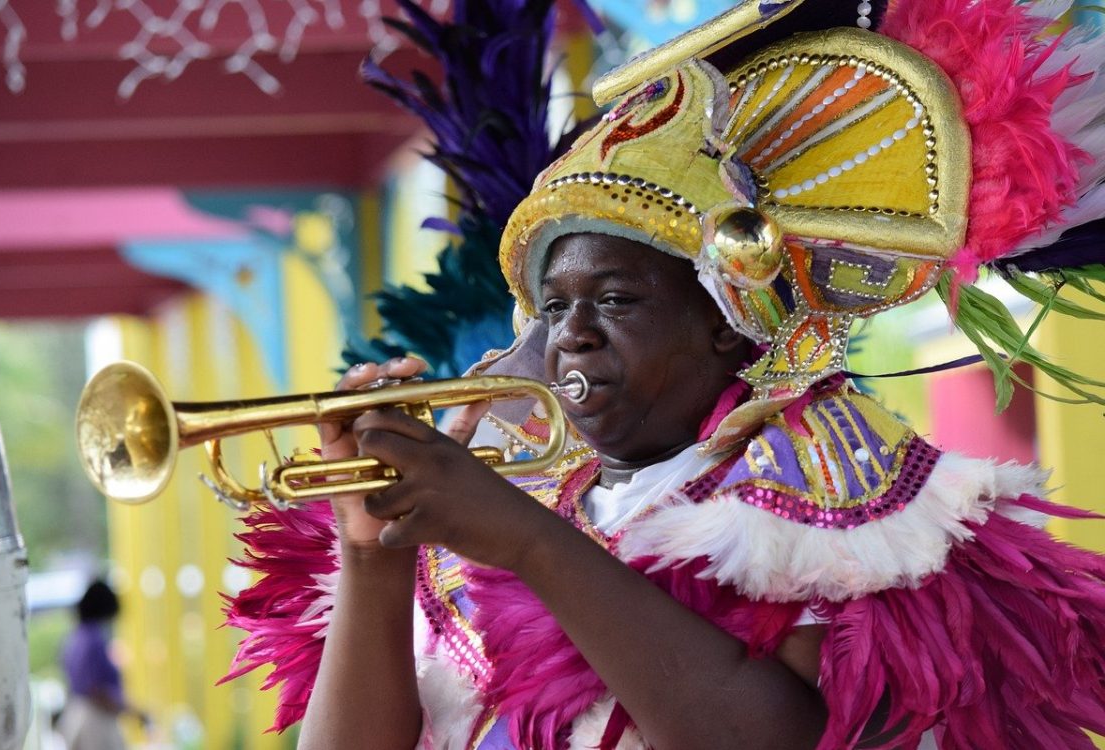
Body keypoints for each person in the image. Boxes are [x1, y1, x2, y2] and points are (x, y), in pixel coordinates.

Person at [224, 1, 1105, 748]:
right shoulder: (524, 492)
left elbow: (779, 735)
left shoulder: (837, 480)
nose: (573, 336)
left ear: (727, 327)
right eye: (555, 306)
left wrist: (527, 540)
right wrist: (371, 557)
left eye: (615, 300)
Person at [56, 579, 149, 750]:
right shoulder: (94, 639)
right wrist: (134, 712)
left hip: (77, 716)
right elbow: (96, 691)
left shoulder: (75, 636)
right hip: (95, 723)